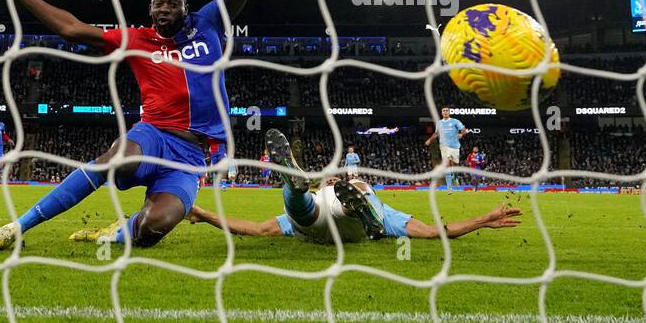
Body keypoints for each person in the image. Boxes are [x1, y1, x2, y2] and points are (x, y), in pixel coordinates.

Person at [0, 0, 265, 252]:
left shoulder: (209, 22)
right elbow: (71, 28)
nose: (165, 8)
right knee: (117, 160)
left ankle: (118, 231)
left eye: (173, 2)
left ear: (186, 8)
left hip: (190, 158)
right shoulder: (136, 40)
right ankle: (17, 226)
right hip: (153, 134)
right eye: (158, 2)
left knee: (153, 228)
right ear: (150, 8)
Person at [187, 130, 521, 244]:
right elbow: (435, 232)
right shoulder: (388, 212)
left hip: (325, 221)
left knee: (303, 209)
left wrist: (205, 214)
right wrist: (203, 215)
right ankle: (300, 186)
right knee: (305, 207)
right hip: (333, 218)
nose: (345, 177)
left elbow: (255, 229)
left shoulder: (381, 207)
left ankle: (307, 190)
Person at [423, 107, 468, 191]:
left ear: (449, 112)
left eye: (447, 111)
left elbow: (464, 130)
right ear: (442, 113)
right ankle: (449, 187)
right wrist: (429, 140)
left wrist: (461, 134)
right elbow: (436, 133)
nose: (445, 112)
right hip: (444, 146)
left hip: (454, 146)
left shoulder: (455, 121)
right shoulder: (439, 123)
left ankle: (455, 177)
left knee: (454, 165)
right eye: (443, 111)